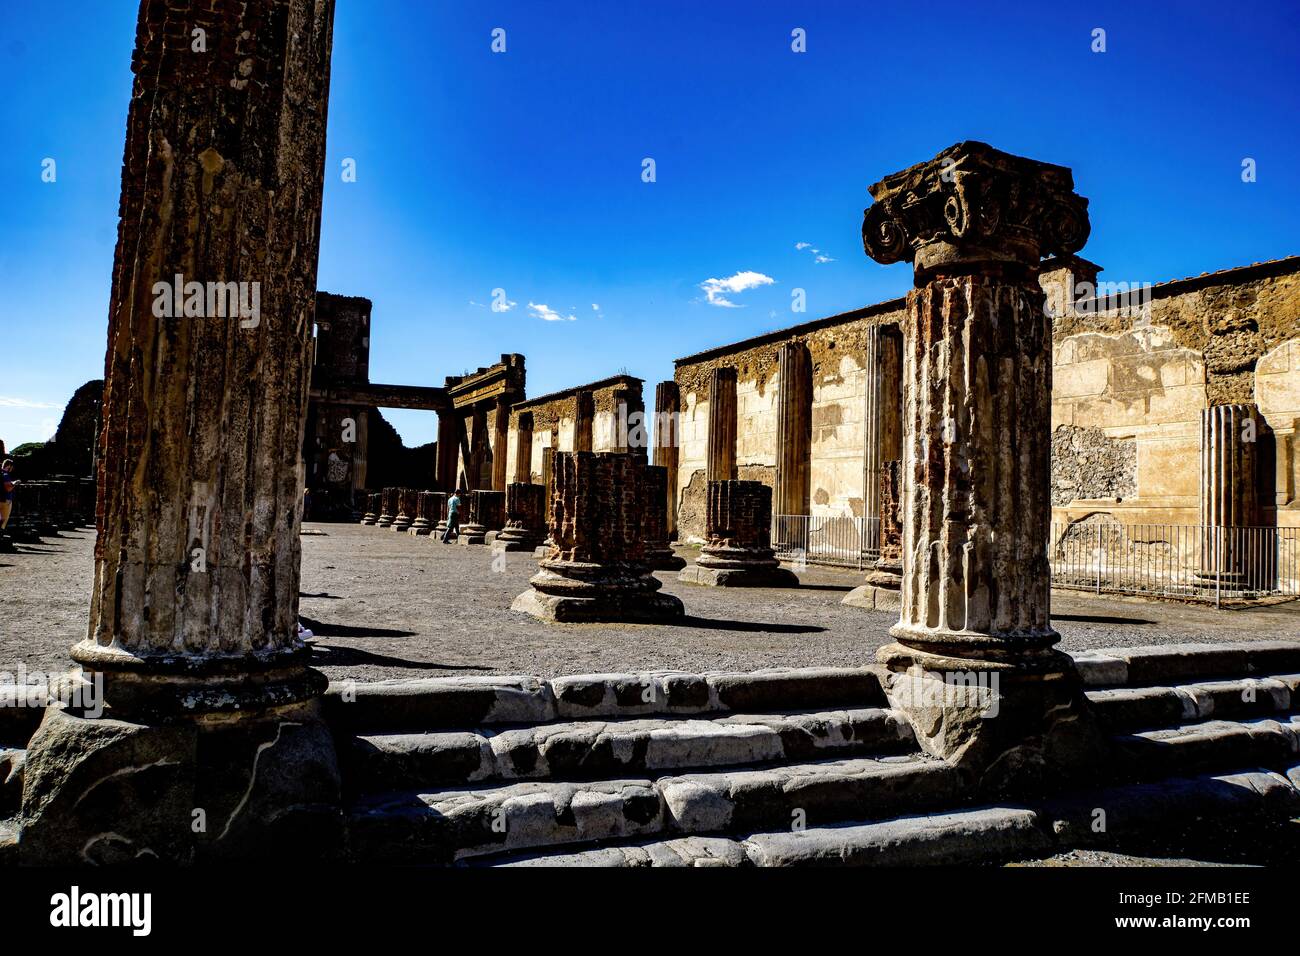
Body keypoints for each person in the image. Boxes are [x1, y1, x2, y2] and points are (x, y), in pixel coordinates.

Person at [0, 459, 16, 530]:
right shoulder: (5, 474)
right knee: (3, 521)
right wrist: (15, 483)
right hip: (5, 500)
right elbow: (8, 488)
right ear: (9, 466)